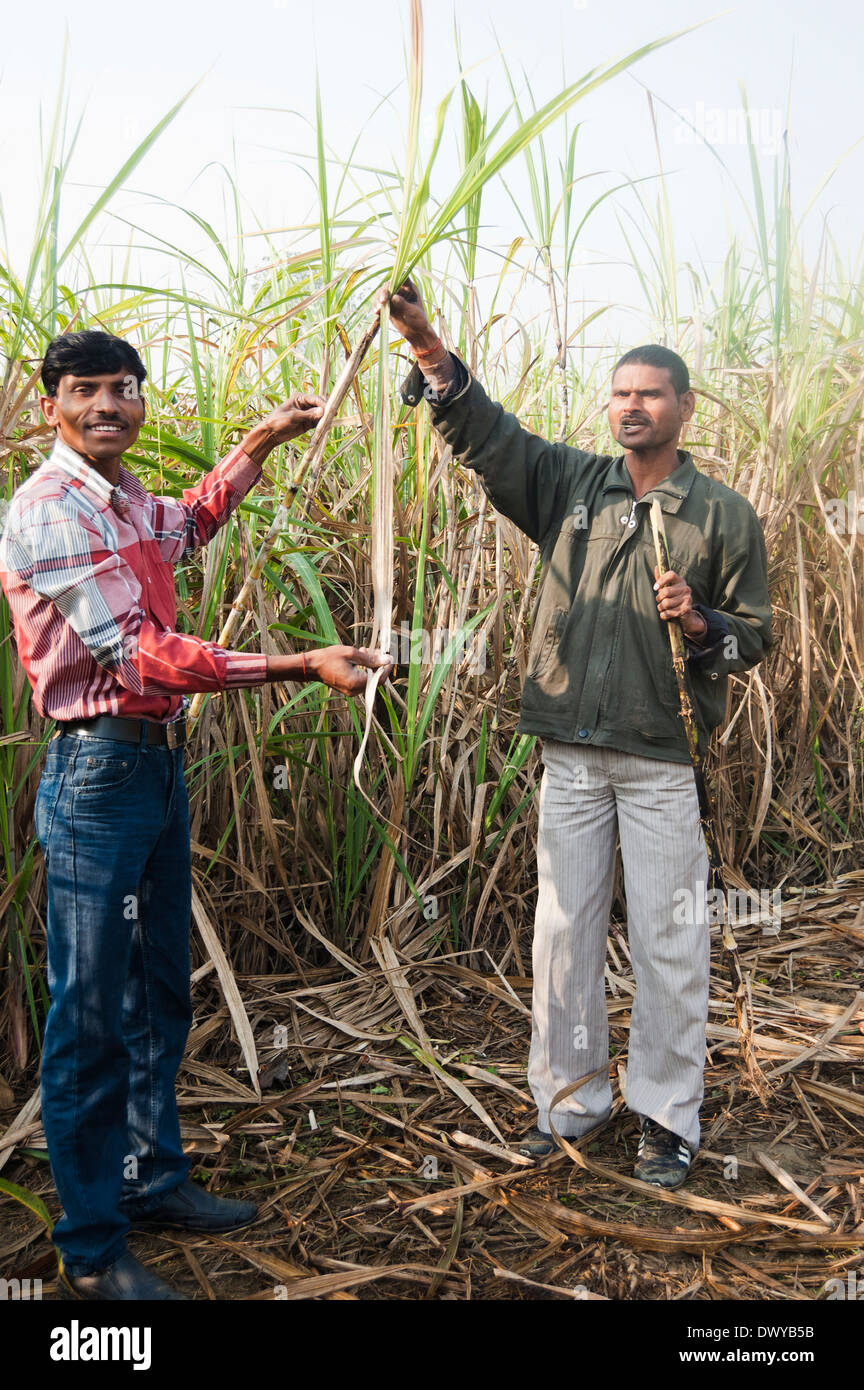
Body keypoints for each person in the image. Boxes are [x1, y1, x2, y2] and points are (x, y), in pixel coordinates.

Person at [0, 330, 391, 1300]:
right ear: (52, 406)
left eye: (123, 390)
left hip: (156, 775)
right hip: (96, 778)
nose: (108, 406)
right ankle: (91, 1247)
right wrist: (299, 664)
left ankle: (149, 1177)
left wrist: (260, 440)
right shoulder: (45, 510)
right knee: (90, 1015)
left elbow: (193, 520)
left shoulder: (126, 497)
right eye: (86, 391)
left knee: (157, 994)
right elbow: (137, 656)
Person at [388, 281, 772, 1189]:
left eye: (650, 392)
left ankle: (667, 1120)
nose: (631, 405)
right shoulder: (568, 483)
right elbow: (490, 437)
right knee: (562, 934)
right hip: (570, 750)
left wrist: (703, 620)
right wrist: (432, 354)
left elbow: (754, 635)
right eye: (620, 392)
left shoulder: (722, 514)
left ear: (683, 407)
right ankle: (569, 1106)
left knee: (672, 939)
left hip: (658, 760)